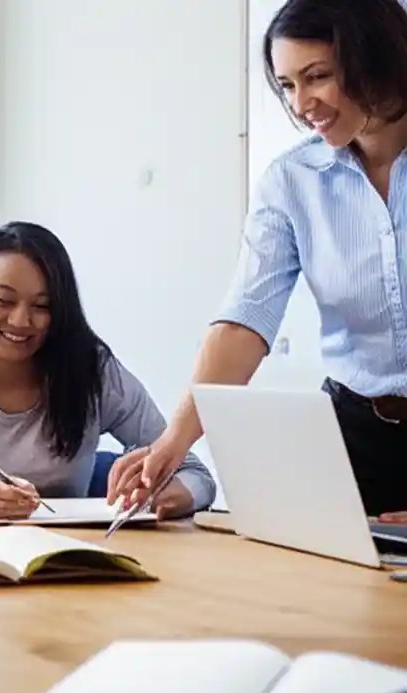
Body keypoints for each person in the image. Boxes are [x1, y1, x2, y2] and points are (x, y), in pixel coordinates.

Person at [109, 0, 407, 522]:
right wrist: (173, 443)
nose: (301, 104)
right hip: (352, 435)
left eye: (317, 76)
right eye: (287, 84)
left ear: (375, 56)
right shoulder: (291, 181)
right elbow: (244, 322)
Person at [0, 222, 217, 520]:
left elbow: (196, 475)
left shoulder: (93, 370)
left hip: (75, 556)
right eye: (3, 300)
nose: (20, 321)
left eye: (42, 306)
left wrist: (161, 498)